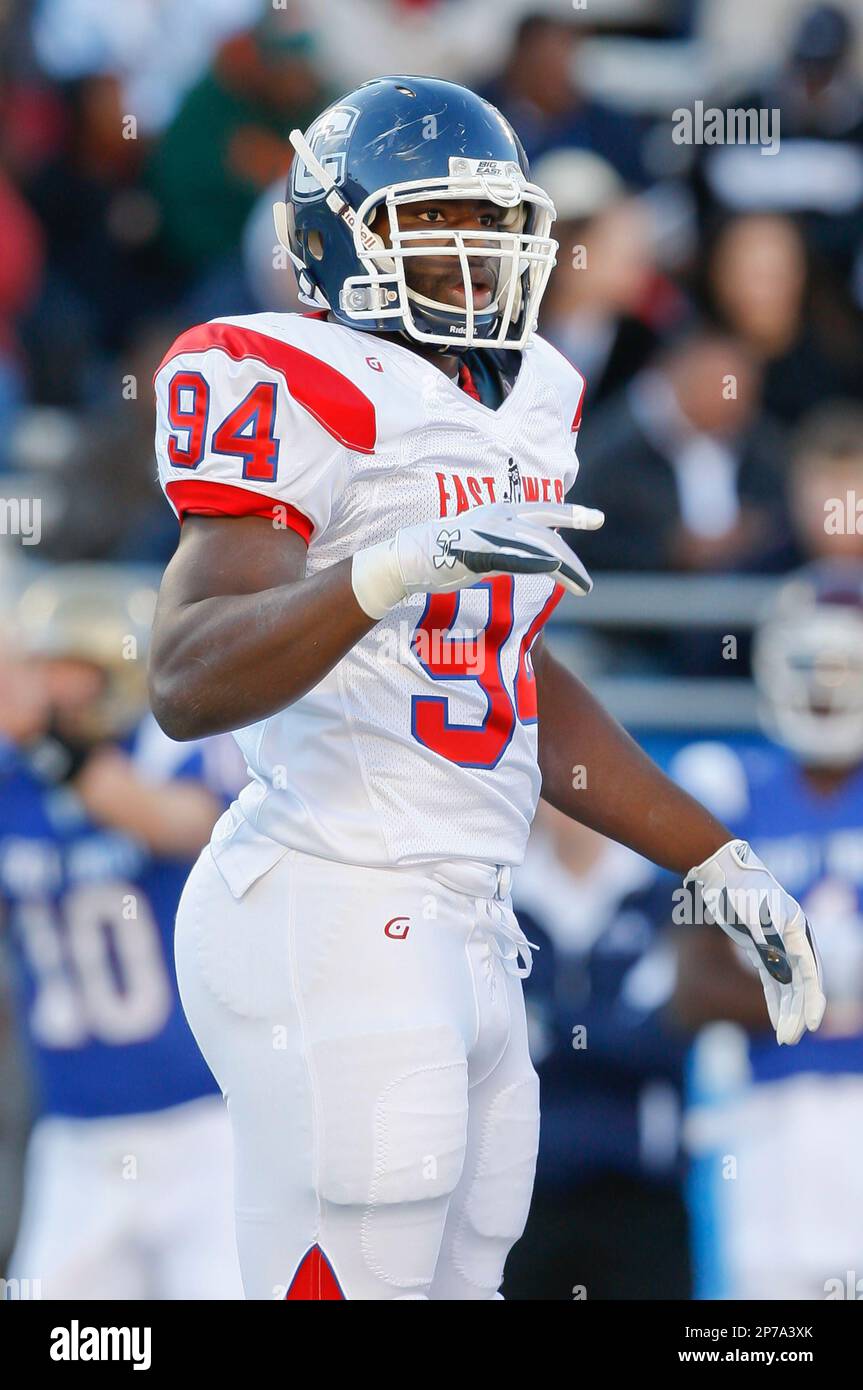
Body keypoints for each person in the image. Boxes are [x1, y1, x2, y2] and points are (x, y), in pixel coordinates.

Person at [149, 76, 825, 1302]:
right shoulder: (277, 374)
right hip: (331, 885)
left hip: (465, 912)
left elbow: (506, 664)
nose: (471, 259)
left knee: (466, 1269)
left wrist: (714, 855)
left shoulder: (530, 401)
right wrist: (385, 568)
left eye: (488, 225)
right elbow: (187, 676)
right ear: (331, 242)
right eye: (429, 225)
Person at [2, 565, 243, 1300]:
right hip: (76, 1137)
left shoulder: (166, 752)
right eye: (44, 668)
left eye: (70, 668)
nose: (55, 686)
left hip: (203, 1127)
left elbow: (180, 825)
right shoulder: (14, 783)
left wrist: (51, 749)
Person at [672, 565, 863, 1299]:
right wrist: (840, 1004)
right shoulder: (725, 786)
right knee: (766, 1338)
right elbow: (694, 991)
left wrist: (790, 995)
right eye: (811, 664)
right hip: (764, 1121)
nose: (824, 686)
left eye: (842, 665)